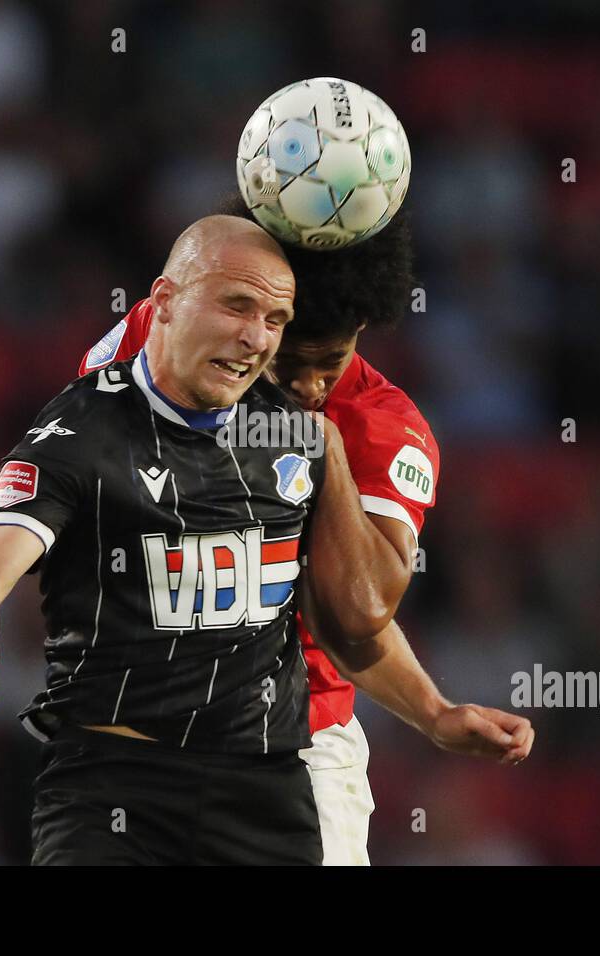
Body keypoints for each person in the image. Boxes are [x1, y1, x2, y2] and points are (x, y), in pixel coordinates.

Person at [78, 206, 536, 865]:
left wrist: (326, 461)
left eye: (331, 363)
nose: (306, 387)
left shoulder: (383, 428)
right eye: (289, 361)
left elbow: (354, 618)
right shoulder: (163, 338)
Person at [0, 214, 389, 865]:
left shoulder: (296, 436)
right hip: (114, 791)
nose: (256, 337)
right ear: (165, 303)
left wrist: (332, 455)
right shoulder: (83, 429)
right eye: (237, 306)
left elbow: (361, 616)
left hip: (262, 791)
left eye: (275, 319)